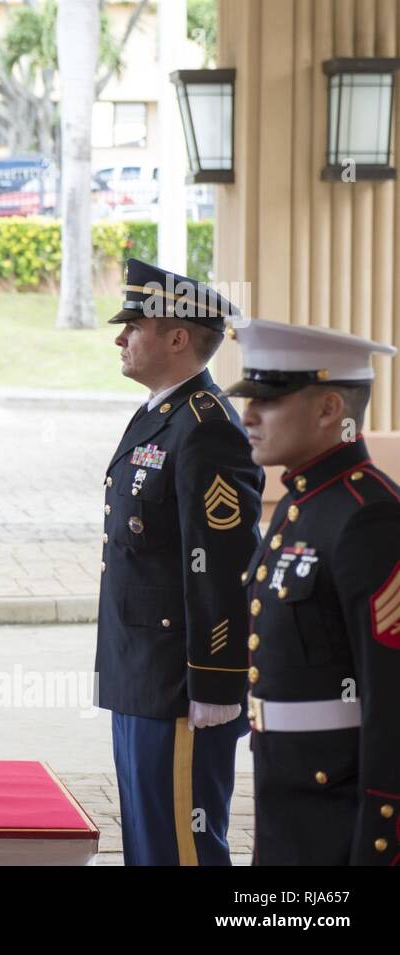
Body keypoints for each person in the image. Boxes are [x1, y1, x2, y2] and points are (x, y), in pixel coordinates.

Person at [95, 258, 263, 865]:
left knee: (182, 845)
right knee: (145, 839)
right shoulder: (161, 413)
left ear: (177, 337)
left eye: (133, 325)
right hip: (140, 673)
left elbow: (223, 564)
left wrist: (217, 681)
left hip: (180, 683)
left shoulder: (205, 427)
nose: (120, 337)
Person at [225, 318, 400, 865]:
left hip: (340, 821)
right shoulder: (303, 505)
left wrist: (380, 844)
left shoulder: (367, 517)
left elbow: (390, 699)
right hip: (288, 801)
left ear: (328, 410)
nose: (247, 414)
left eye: (268, 400)